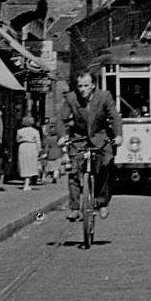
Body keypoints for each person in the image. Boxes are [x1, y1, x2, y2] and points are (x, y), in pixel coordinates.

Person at [60, 70, 121, 222]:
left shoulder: (104, 96)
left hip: (100, 137)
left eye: (86, 85)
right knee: (74, 171)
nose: (82, 89)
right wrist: (62, 136)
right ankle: (74, 208)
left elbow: (114, 116)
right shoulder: (71, 98)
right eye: (80, 86)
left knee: (107, 163)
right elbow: (61, 119)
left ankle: (102, 202)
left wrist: (118, 135)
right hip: (79, 138)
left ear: (93, 85)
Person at [16, 121, 43, 189]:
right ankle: (27, 184)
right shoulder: (35, 131)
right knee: (31, 164)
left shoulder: (19, 131)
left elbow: (17, 140)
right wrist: (39, 150)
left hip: (22, 146)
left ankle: (26, 182)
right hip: (32, 146)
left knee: (24, 164)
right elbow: (38, 141)